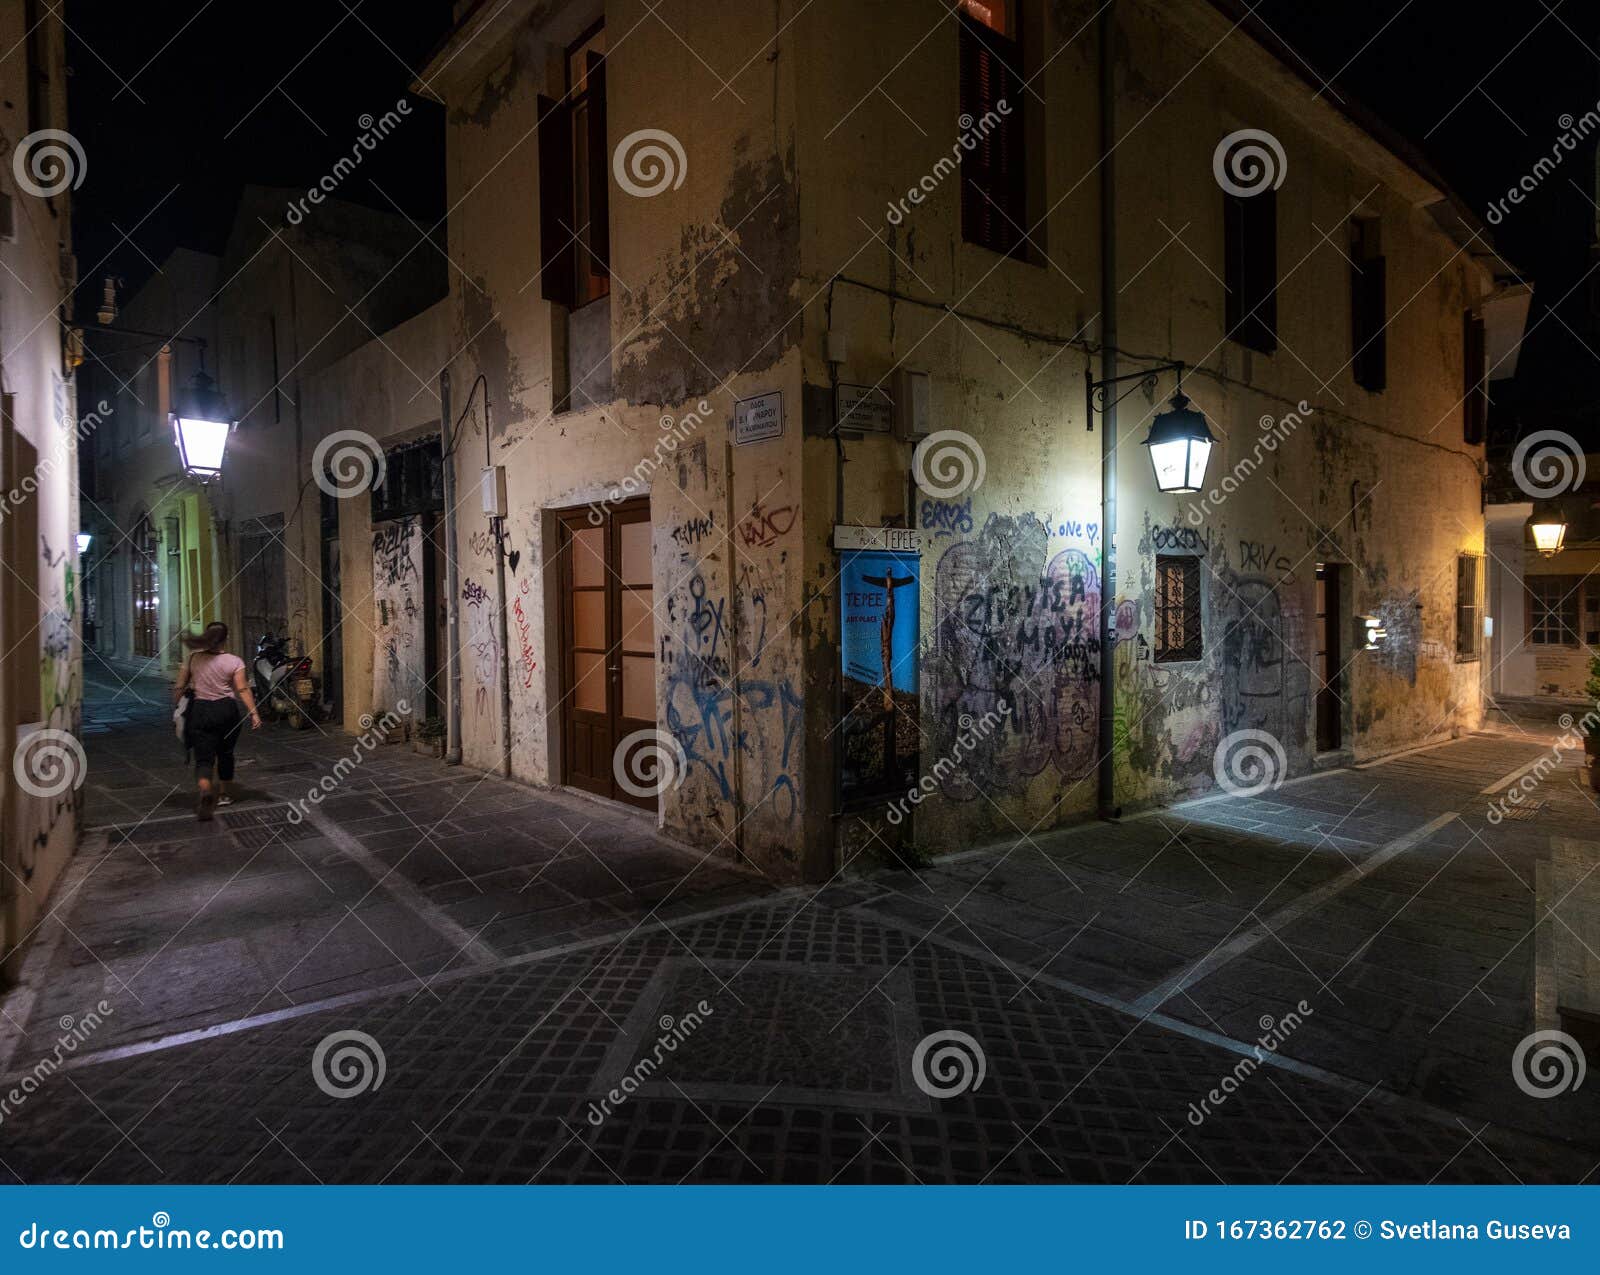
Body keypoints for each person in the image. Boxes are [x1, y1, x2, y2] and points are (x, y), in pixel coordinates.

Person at [174, 622, 260, 820]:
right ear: (225, 639)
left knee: (203, 758)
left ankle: (205, 791)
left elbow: (179, 687)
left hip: (200, 710)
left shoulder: (193, 658)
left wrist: (177, 706)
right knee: (226, 753)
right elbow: (242, 689)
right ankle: (223, 794)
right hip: (226, 711)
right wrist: (254, 713)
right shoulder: (234, 661)